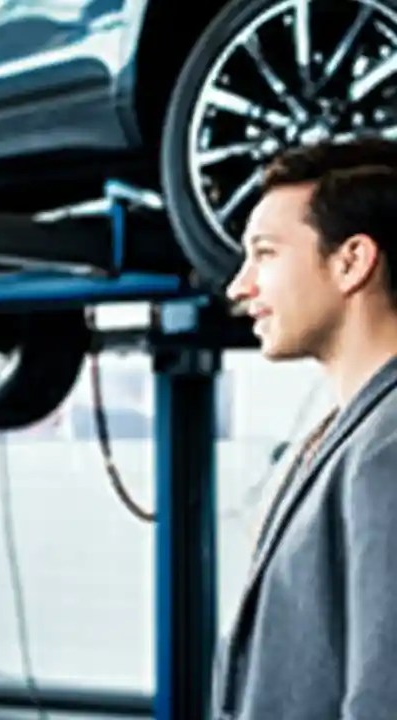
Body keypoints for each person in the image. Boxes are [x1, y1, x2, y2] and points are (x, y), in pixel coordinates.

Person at [214, 137, 397, 719]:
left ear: (351, 262)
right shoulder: (348, 432)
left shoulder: (388, 448)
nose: (239, 287)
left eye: (264, 254)